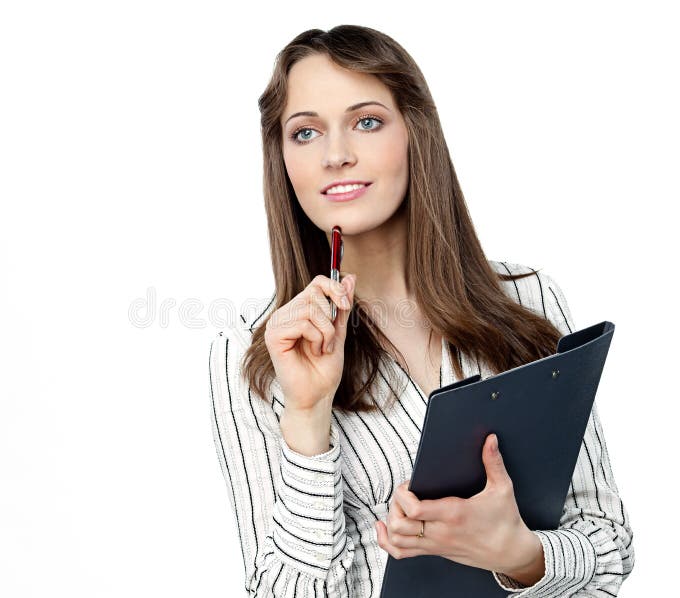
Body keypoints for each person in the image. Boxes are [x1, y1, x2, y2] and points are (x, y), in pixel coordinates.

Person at [208, 25, 635, 597]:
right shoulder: (252, 356)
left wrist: (522, 555)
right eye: (305, 132)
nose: (336, 155)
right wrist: (307, 417)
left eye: (366, 121)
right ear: (282, 158)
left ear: (415, 133)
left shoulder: (527, 299)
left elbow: (611, 546)